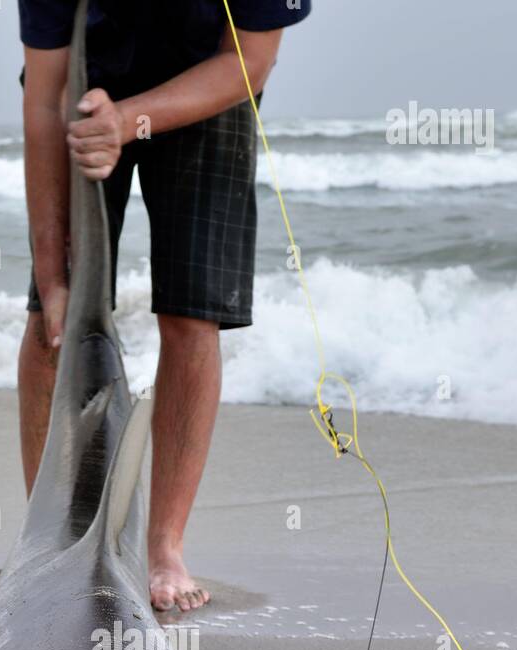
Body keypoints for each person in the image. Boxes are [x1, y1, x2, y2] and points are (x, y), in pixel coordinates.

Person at [17, 0, 311, 612]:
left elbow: (251, 61)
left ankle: (165, 549)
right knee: (56, 322)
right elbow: (45, 95)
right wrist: (51, 274)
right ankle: (47, 545)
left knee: (192, 315)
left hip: (210, 78)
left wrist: (129, 121)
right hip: (85, 80)